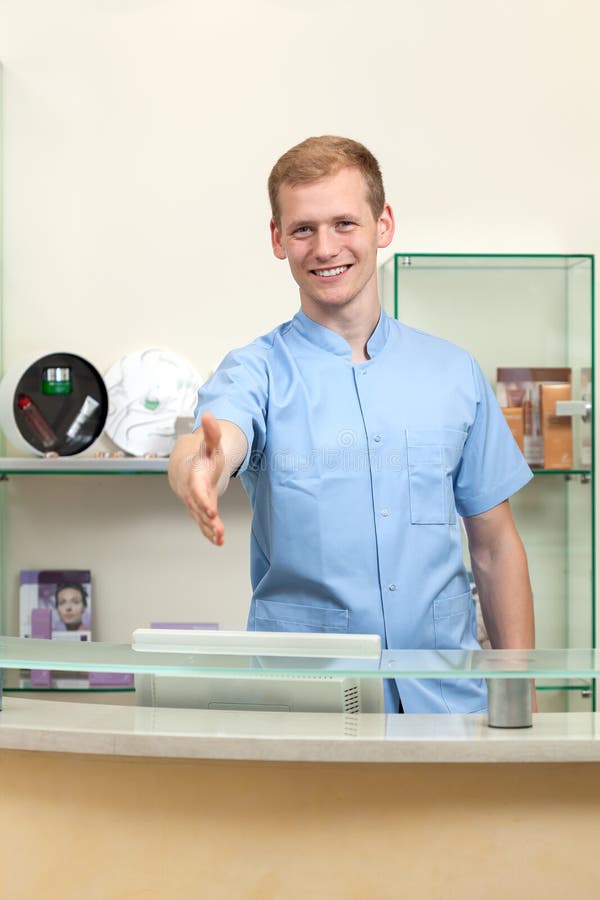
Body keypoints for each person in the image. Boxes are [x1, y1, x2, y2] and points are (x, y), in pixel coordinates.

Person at [168, 135, 535, 714]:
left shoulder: (453, 373)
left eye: (344, 223)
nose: (325, 247)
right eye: (303, 229)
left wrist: (517, 699)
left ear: (382, 224)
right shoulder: (256, 370)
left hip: (446, 706)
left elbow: (494, 548)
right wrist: (198, 468)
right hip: (307, 710)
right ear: (277, 239)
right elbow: (213, 440)